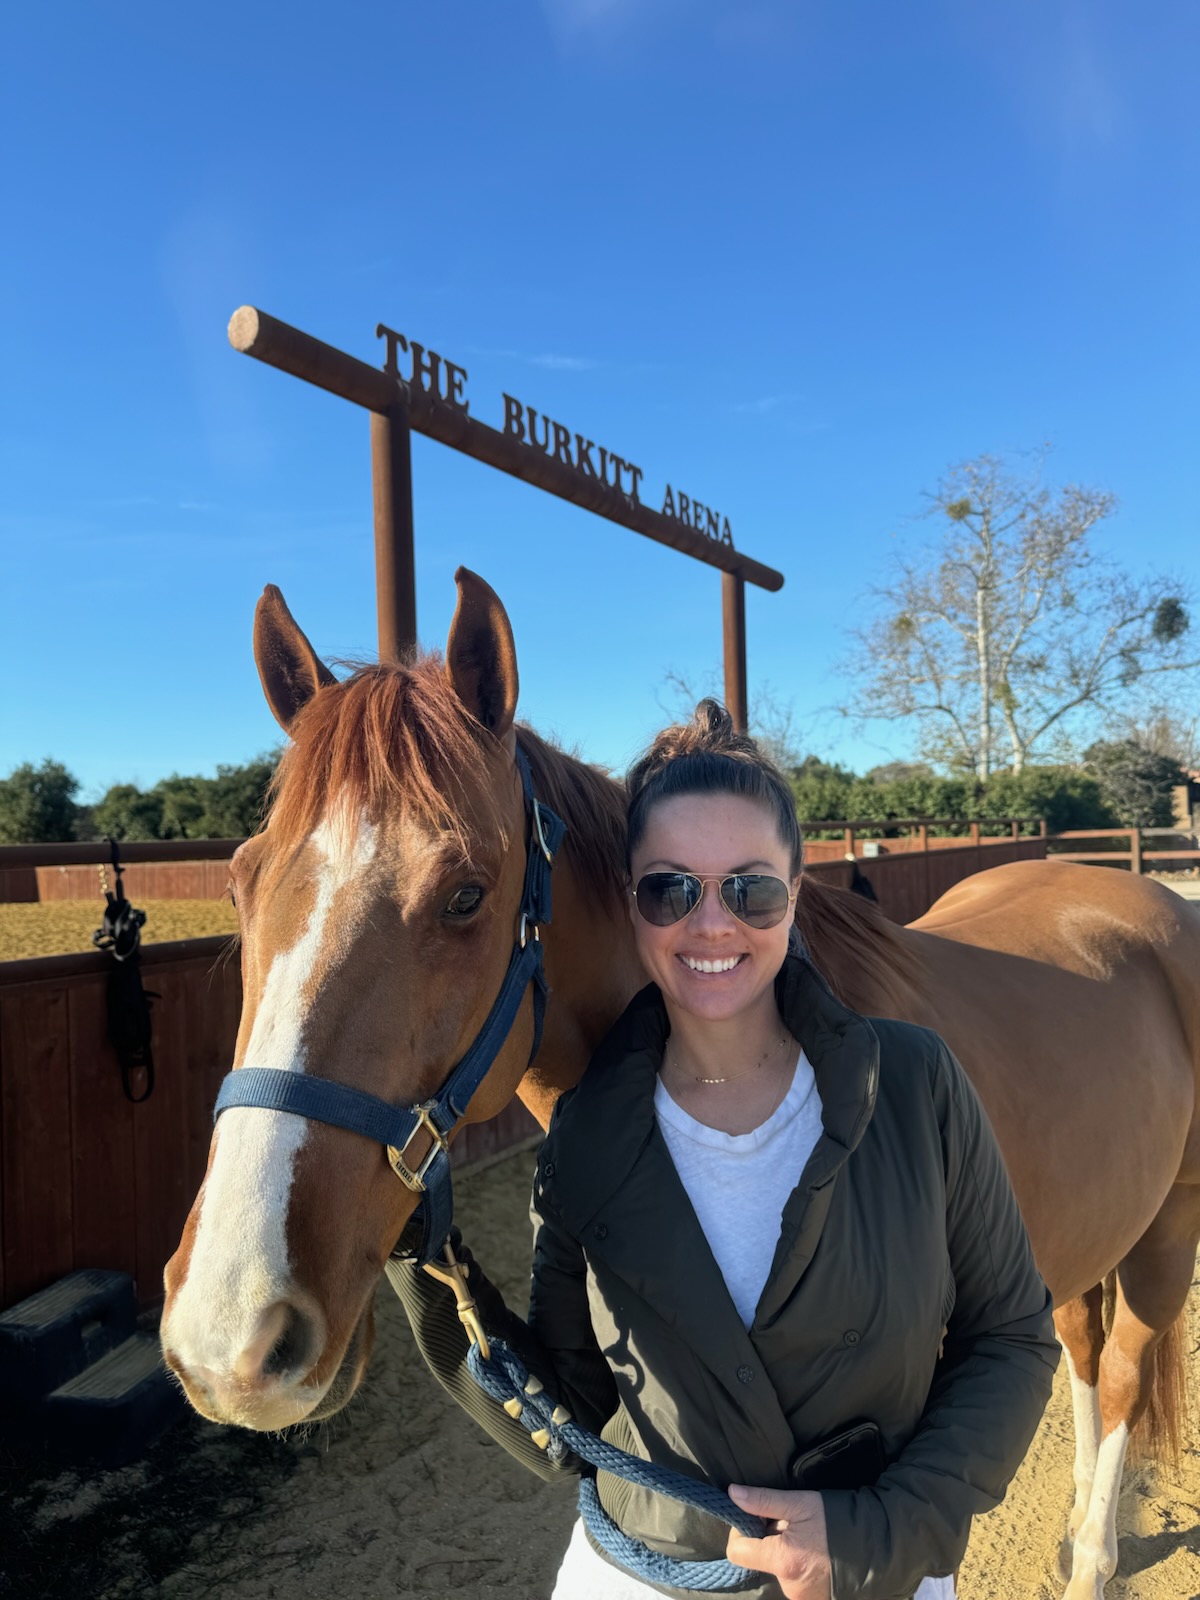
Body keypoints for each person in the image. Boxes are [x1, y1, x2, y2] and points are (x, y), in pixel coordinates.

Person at [389, 701, 1059, 1600]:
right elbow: (576, 1415)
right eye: (671, 889)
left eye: (751, 889)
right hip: (644, 1574)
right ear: (632, 904)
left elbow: (1011, 1337)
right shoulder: (587, 1130)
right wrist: (420, 1261)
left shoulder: (913, 1084)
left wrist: (886, 1527)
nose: (711, 925)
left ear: (796, 892)